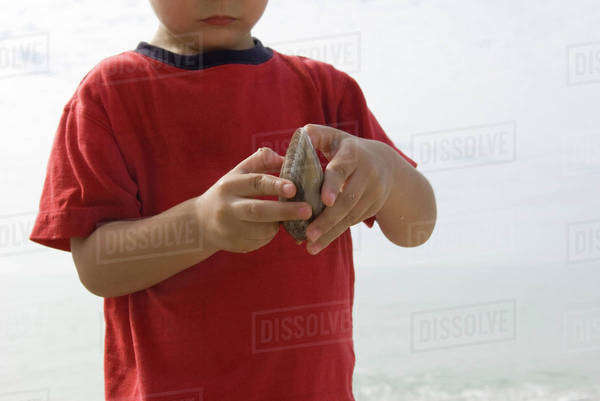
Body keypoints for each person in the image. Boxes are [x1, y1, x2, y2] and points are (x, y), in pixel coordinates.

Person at [29, 1, 437, 400]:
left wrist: (388, 168)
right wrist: (201, 226)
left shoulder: (327, 89)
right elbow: (97, 267)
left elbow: (414, 227)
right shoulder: (109, 93)